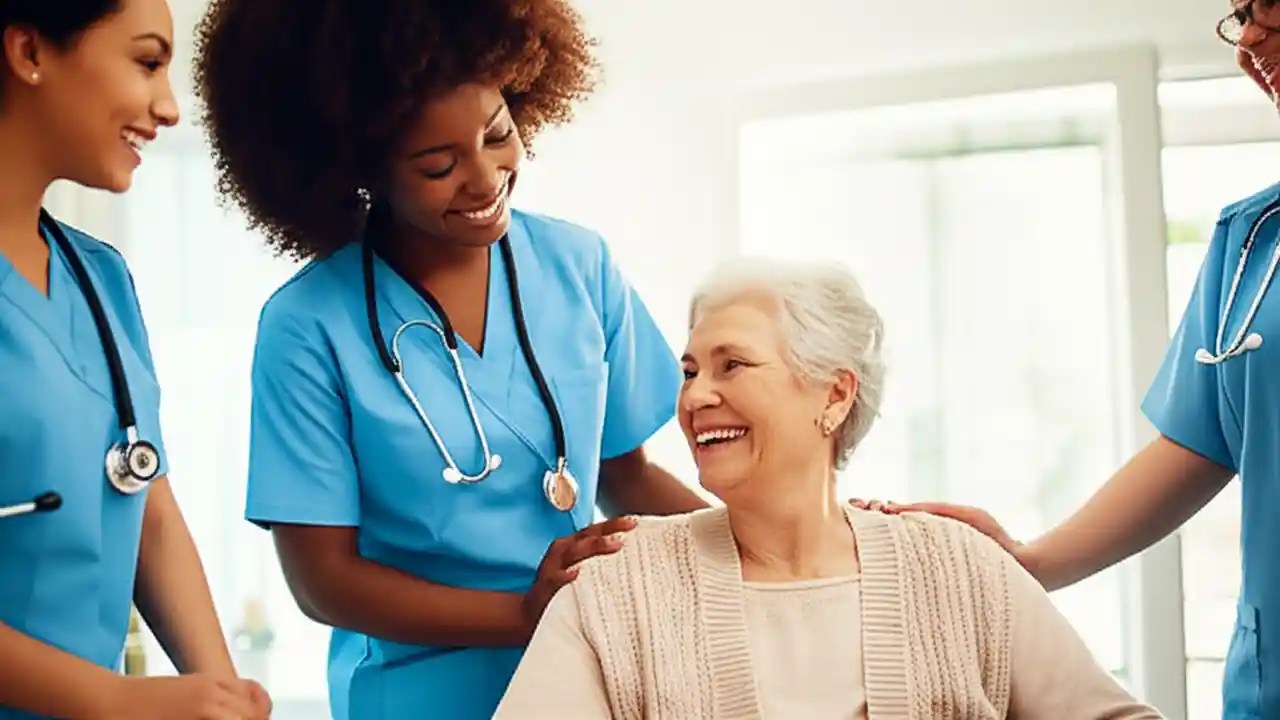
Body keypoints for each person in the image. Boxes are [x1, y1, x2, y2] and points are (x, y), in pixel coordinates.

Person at [192, 1, 709, 718]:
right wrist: (523, 613)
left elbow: (626, 478)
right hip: (417, 697)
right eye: (438, 165)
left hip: (590, 683)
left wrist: (780, 545)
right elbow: (323, 581)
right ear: (361, 168)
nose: (484, 178)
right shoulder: (308, 325)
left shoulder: (577, 264)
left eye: (498, 134)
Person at [494, 259, 1162, 719]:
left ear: (835, 394)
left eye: (734, 365)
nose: (696, 396)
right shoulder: (617, 583)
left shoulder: (962, 569)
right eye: (691, 370)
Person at [854, 2, 1280, 717]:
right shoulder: (1250, 244)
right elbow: (1200, 446)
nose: (1252, 41)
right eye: (1243, 15)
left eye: (1272, 8)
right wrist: (1026, 564)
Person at [0, 2, 271, 719]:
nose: (170, 106)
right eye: (147, 62)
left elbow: (147, 505)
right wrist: (117, 699)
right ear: (29, 50)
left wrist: (224, 694)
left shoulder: (100, 280)